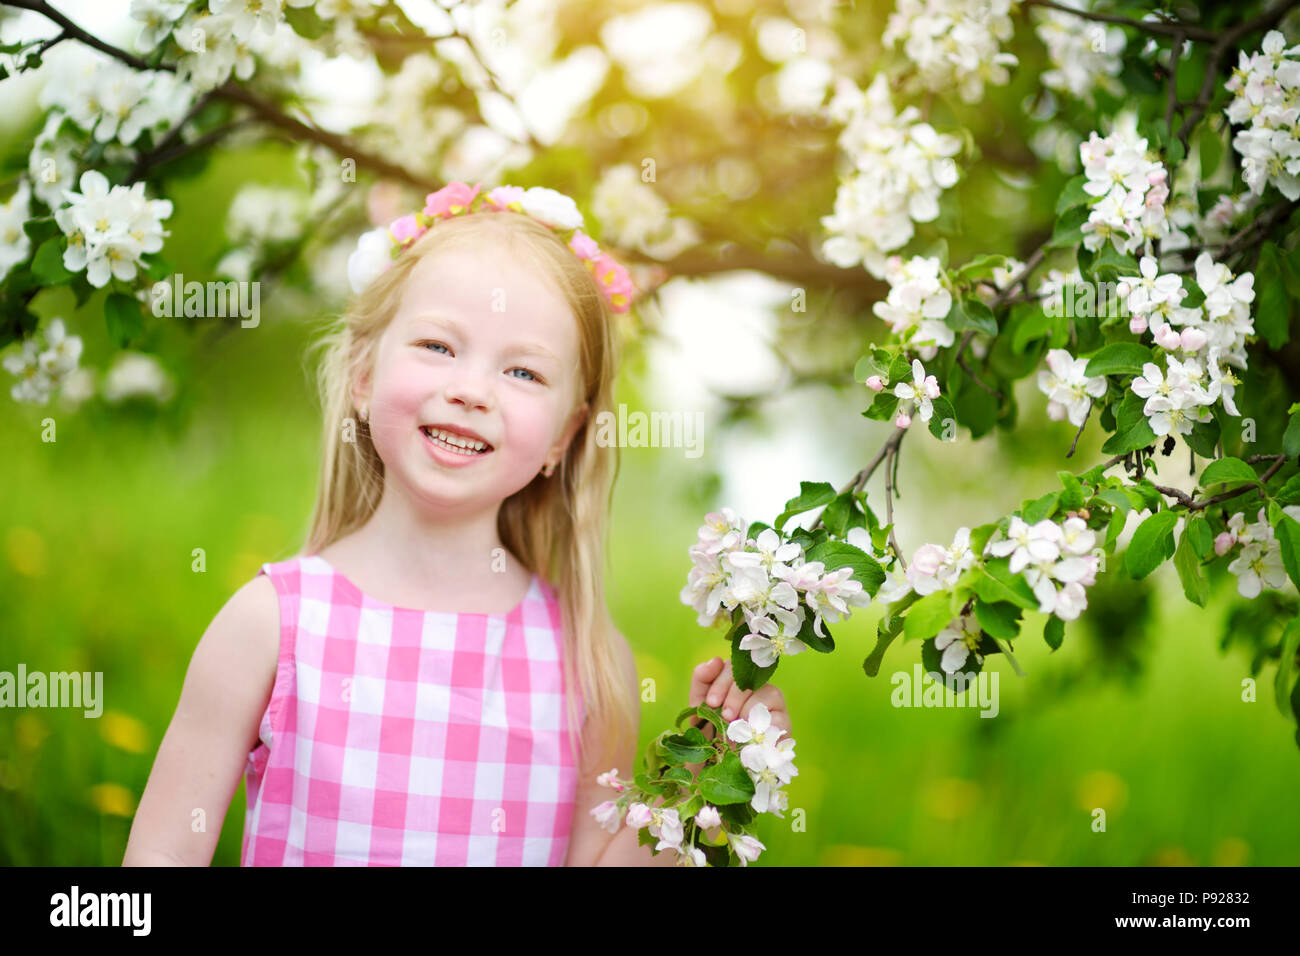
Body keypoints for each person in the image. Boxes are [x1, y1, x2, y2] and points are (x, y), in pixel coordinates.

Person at [122, 181, 791, 867]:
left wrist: (714, 770)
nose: (471, 389)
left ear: (564, 436)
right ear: (361, 374)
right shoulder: (272, 626)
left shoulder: (588, 663)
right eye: (439, 347)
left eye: (524, 372)